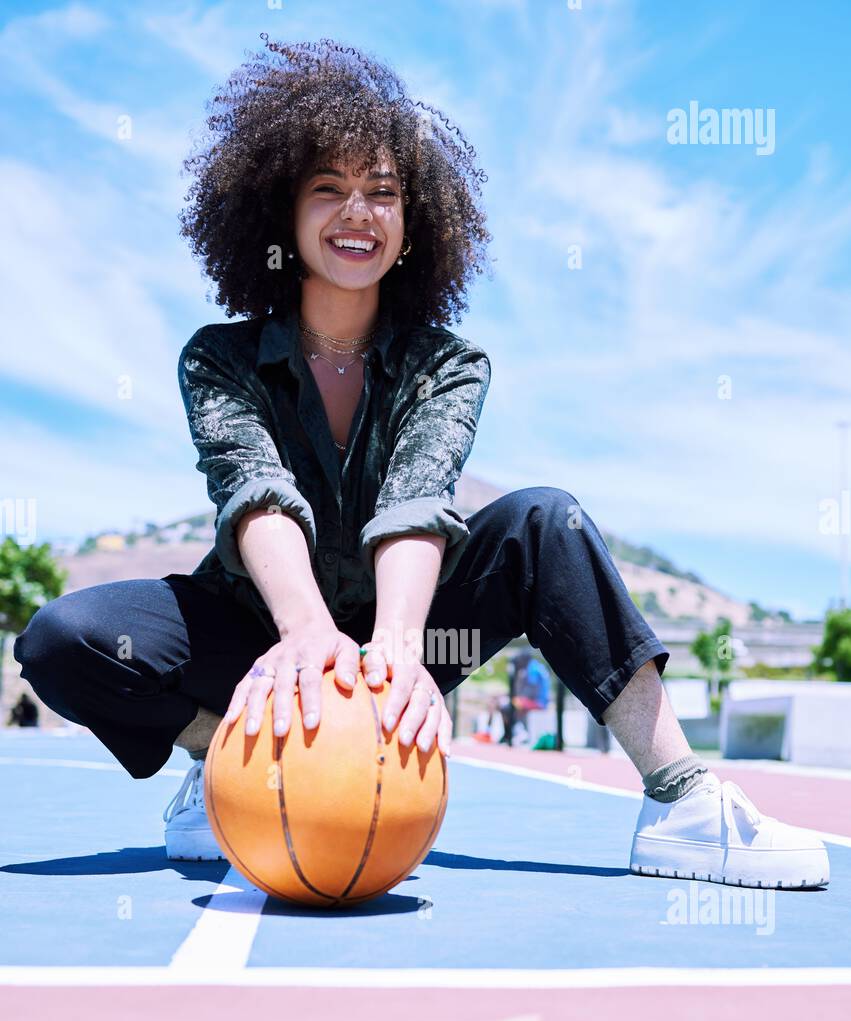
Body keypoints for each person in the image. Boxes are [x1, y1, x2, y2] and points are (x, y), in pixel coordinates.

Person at [13, 38, 828, 889]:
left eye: (383, 193)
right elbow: (256, 493)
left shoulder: (448, 364)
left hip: (404, 635)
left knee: (545, 519)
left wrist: (397, 652)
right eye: (327, 189)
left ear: (415, 223)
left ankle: (683, 799)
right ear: (279, 216)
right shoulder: (219, 359)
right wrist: (307, 639)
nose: (356, 212)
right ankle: (231, 761)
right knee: (63, 640)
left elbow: (415, 501)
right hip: (262, 638)